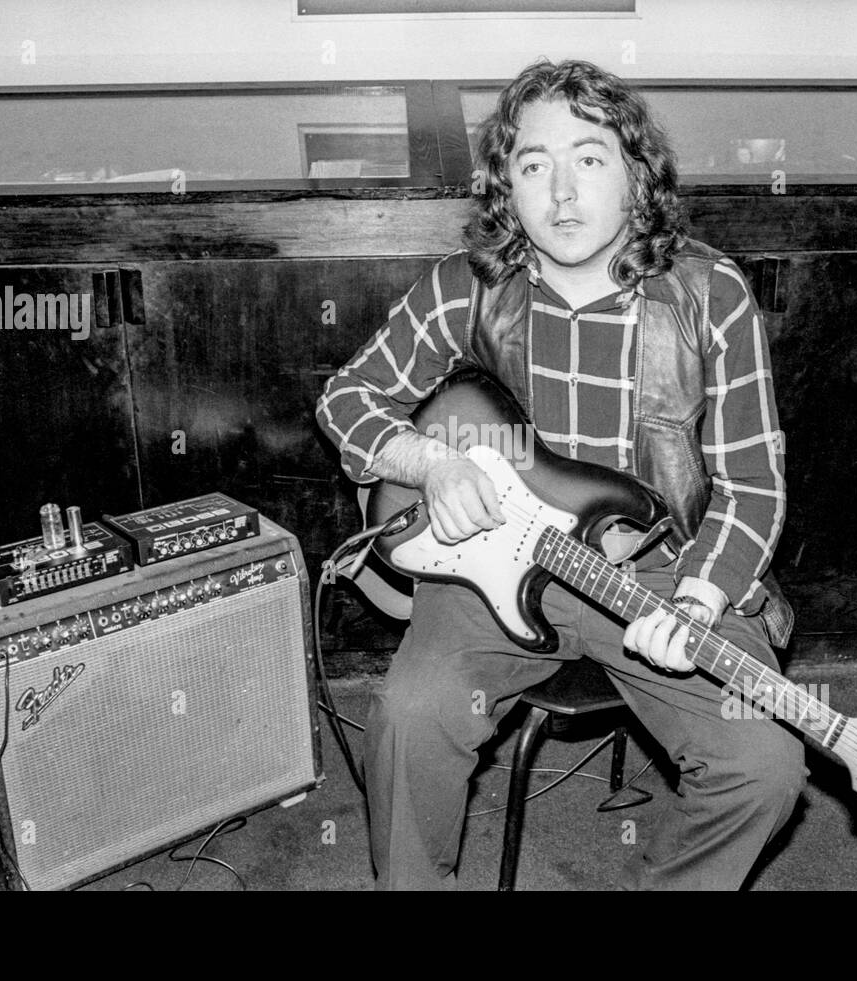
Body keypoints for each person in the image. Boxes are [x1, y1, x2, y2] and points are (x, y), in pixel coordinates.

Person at [316, 58, 806, 890]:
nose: (563, 194)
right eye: (534, 164)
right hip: (491, 564)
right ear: (506, 184)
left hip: (657, 569)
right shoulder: (465, 287)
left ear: (635, 173)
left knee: (765, 762)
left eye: (589, 158)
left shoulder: (709, 293)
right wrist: (429, 463)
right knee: (407, 715)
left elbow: (753, 484)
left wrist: (697, 599)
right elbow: (346, 397)